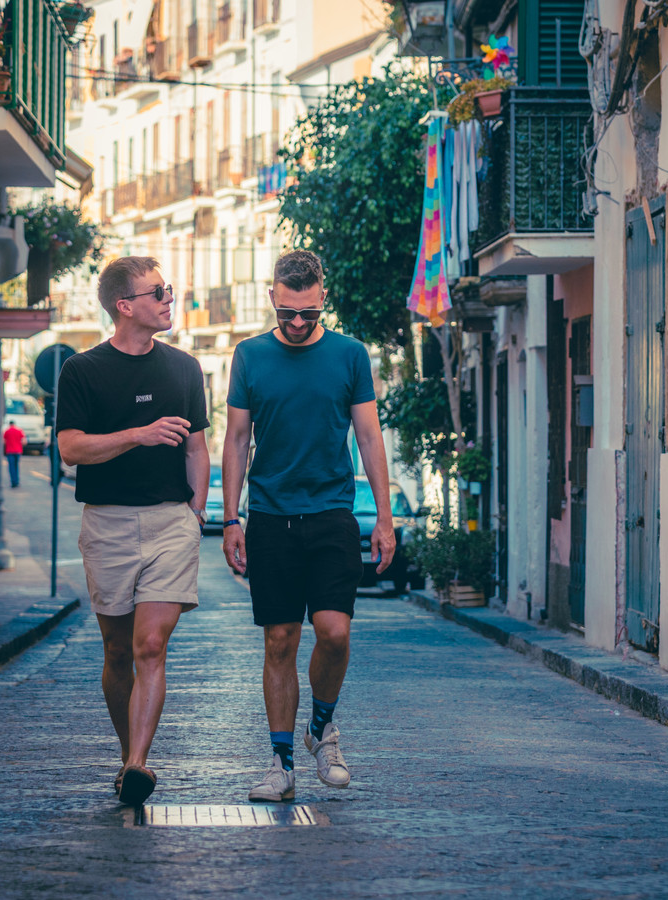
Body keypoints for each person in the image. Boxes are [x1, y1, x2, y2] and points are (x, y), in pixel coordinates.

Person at [222, 249, 395, 802]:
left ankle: (321, 730)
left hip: (332, 516)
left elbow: (368, 437)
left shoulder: (349, 355)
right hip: (271, 517)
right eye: (288, 312)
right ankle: (281, 764)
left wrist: (385, 518)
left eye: (308, 313)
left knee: (335, 634)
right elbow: (236, 440)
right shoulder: (249, 356)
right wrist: (231, 518)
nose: (297, 324)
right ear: (272, 296)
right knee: (279, 641)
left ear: (323, 298)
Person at [54, 256, 210, 807]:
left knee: (150, 645)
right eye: (158, 292)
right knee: (117, 649)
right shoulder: (82, 370)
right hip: (108, 522)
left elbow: (197, 446)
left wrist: (197, 511)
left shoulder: (186, 370)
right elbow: (71, 448)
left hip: (171, 522)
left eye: (168, 289)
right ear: (126, 306)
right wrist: (139, 435)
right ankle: (128, 757)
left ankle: (140, 762)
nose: (169, 298)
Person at [2, 420, 25, 488]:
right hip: (18, 451)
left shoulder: (6, 431)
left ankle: (13, 482)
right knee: (16, 466)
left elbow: (4, 441)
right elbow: (24, 441)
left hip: (9, 451)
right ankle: (17, 481)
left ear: (9, 424)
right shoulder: (19, 430)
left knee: (11, 467)